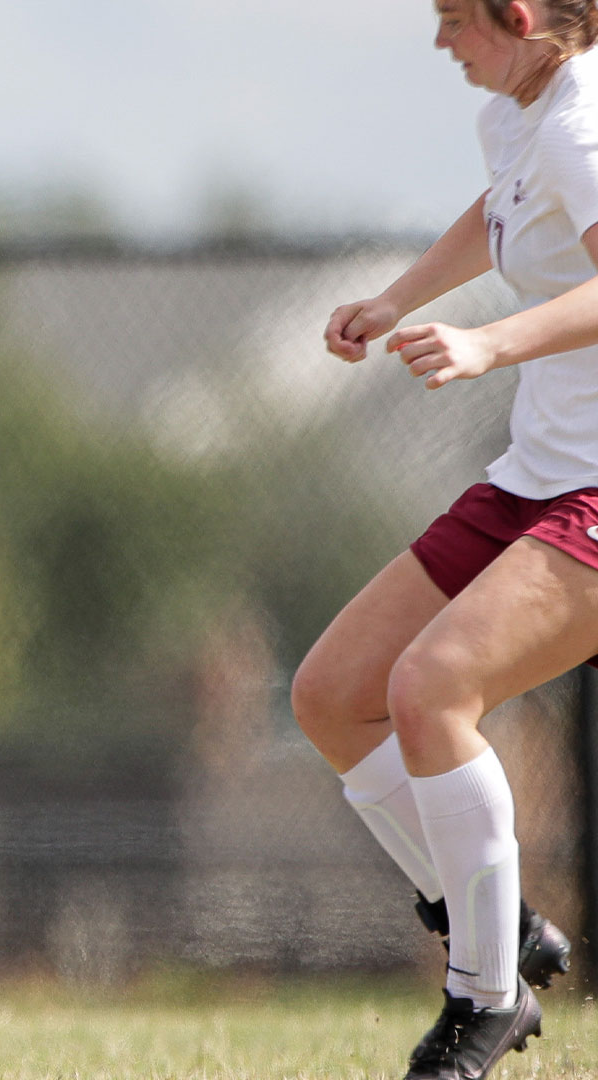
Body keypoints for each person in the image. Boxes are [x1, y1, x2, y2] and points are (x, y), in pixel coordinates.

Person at [296, 1, 598, 1076]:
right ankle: (499, 927)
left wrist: (488, 343)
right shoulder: (524, 116)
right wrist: (397, 297)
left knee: (431, 690)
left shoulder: (582, 121)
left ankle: (483, 998)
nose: (439, 44)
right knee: (334, 695)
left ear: (516, 16)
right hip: (540, 478)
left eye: (452, 20)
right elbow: (506, 210)